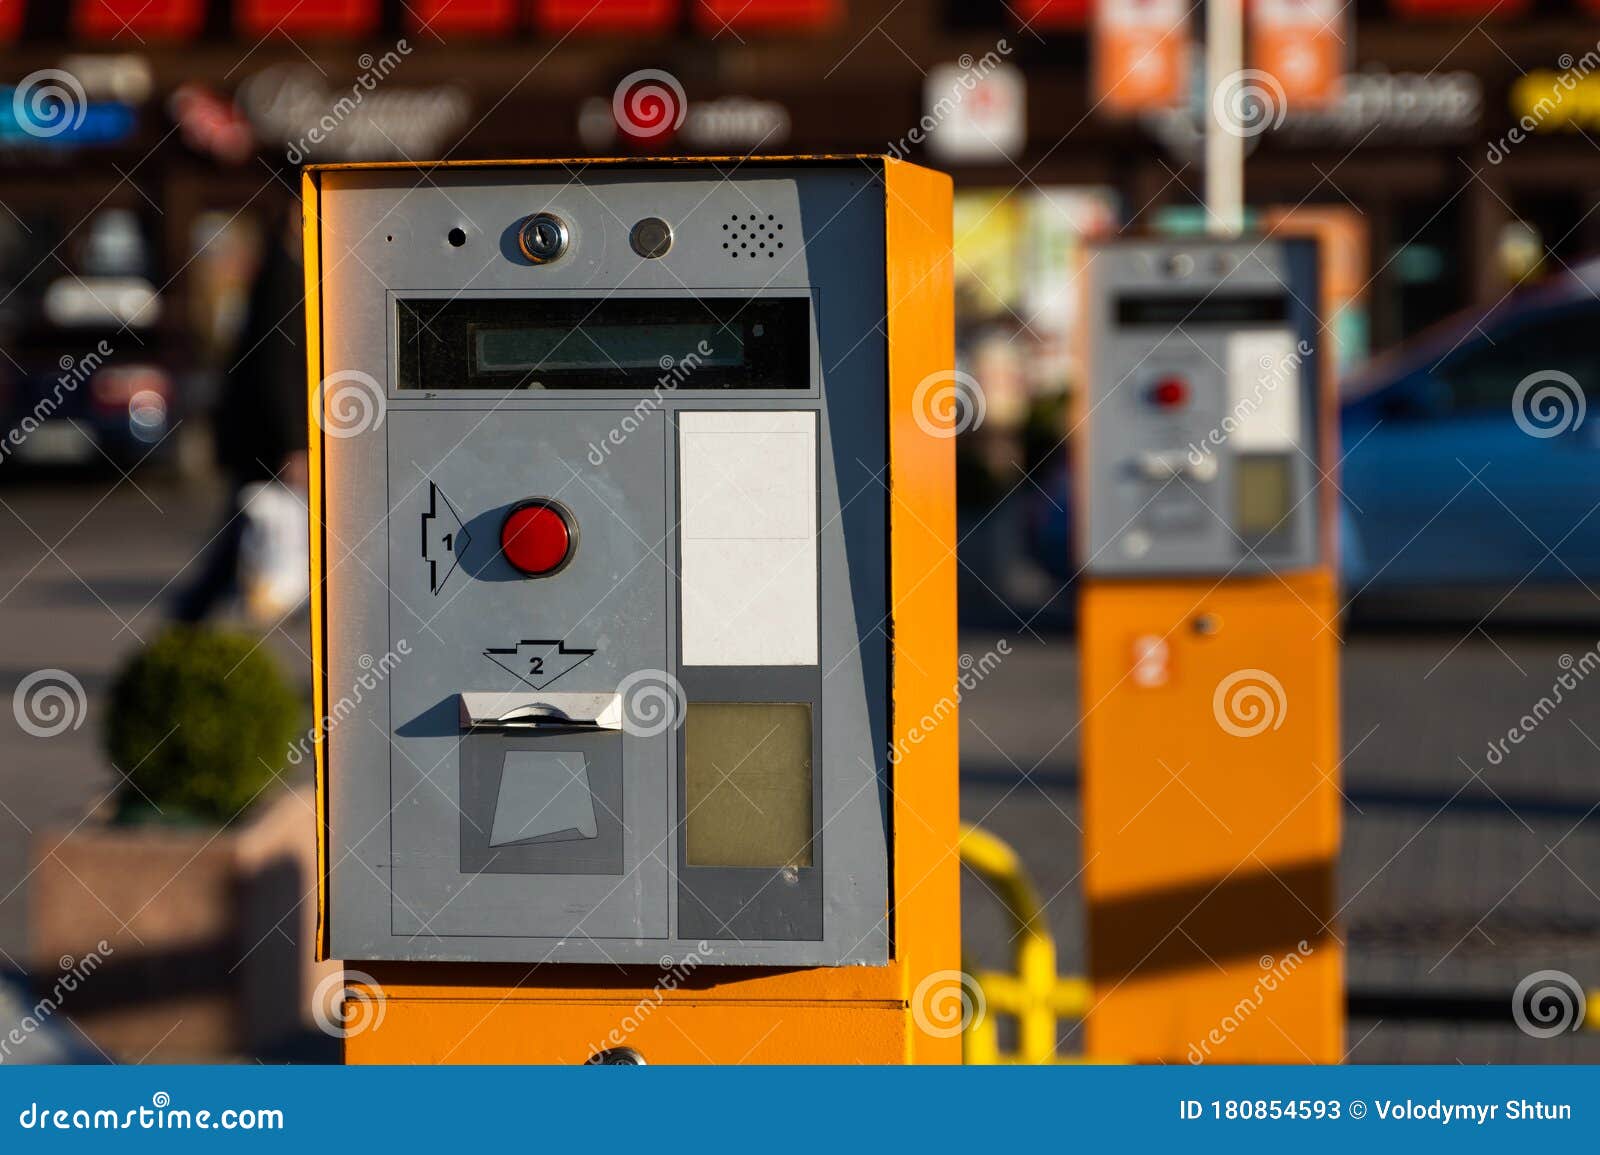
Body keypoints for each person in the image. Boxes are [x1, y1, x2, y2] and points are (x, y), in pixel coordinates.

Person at [172, 198, 306, 623]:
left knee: (243, 531)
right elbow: (278, 368)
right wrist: (293, 443)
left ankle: (188, 622)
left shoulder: (280, 270)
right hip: (265, 438)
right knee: (247, 530)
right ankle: (188, 622)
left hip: (258, 435)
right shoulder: (284, 276)